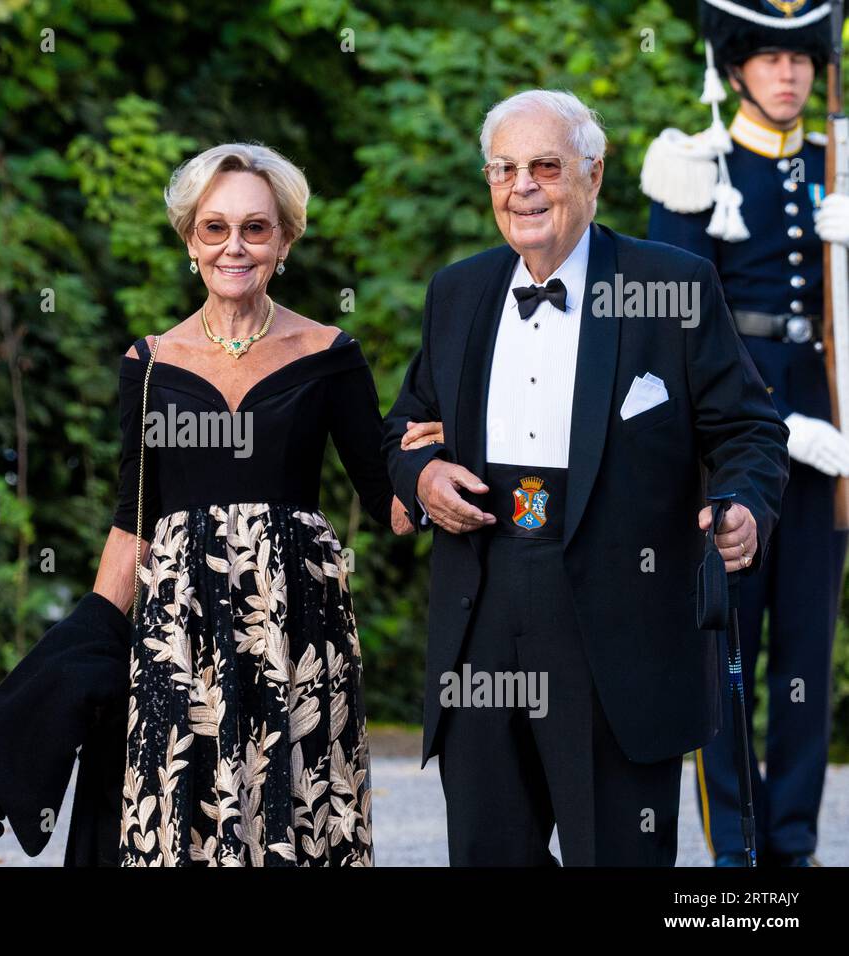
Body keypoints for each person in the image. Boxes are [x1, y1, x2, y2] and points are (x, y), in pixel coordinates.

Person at [383, 89, 789, 865]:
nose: (523, 186)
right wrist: (421, 475)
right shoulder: (458, 292)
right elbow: (404, 430)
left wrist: (739, 505)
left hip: (621, 639)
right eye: (505, 169)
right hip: (481, 627)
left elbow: (748, 428)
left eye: (546, 166)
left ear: (593, 176)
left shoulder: (672, 284)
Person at [93, 142, 412, 866]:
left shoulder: (330, 353)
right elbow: (131, 518)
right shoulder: (149, 365)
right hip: (181, 638)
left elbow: (388, 497)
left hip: (300, 633)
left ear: (286, 239)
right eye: (215, 228)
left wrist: (443, 457)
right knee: (184, 816)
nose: (233, 246)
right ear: (190, 240)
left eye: (256, 229)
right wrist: (91, 642)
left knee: (301, 815)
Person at [642, 0, 847, 867]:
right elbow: (678, 323)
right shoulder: (695, 165)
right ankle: (740, 853)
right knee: (725, 653)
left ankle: (794, 850)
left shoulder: (840, 164)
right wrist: (774, 420)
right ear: (735, 71)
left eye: (802, 57)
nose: (789, 72)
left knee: (806, 657)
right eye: (768, 57)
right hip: (734, 441)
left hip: (834, 436)